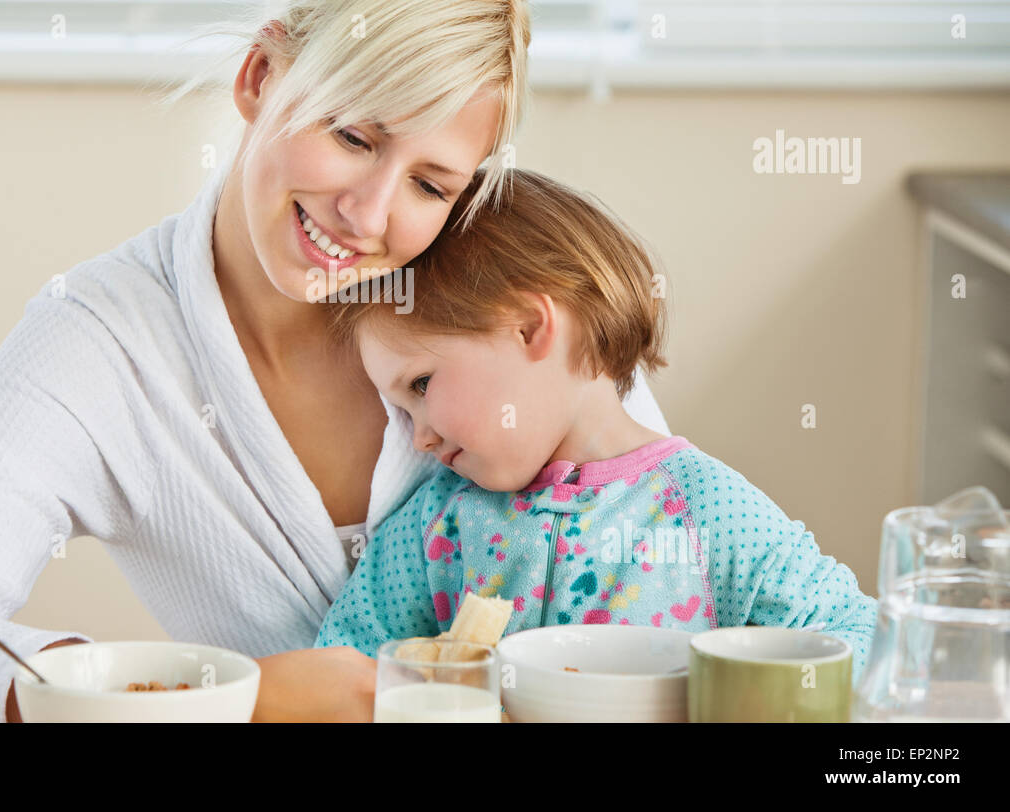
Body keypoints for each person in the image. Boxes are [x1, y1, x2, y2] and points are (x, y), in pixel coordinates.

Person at [0, 0, 669, 723]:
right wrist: (188, 696)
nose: (368, 214)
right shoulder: (103, 342)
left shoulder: (516, 307)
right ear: (261, 77)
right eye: (354, 135)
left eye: (431, 185)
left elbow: (669, 536)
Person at [314, 168, 878, 684]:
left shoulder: (708, 511)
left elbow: (858, 637)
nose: (420, 437)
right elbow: (342, 665)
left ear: (530, 328)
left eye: (421, 386)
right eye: (403, 411)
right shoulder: (436, 527)